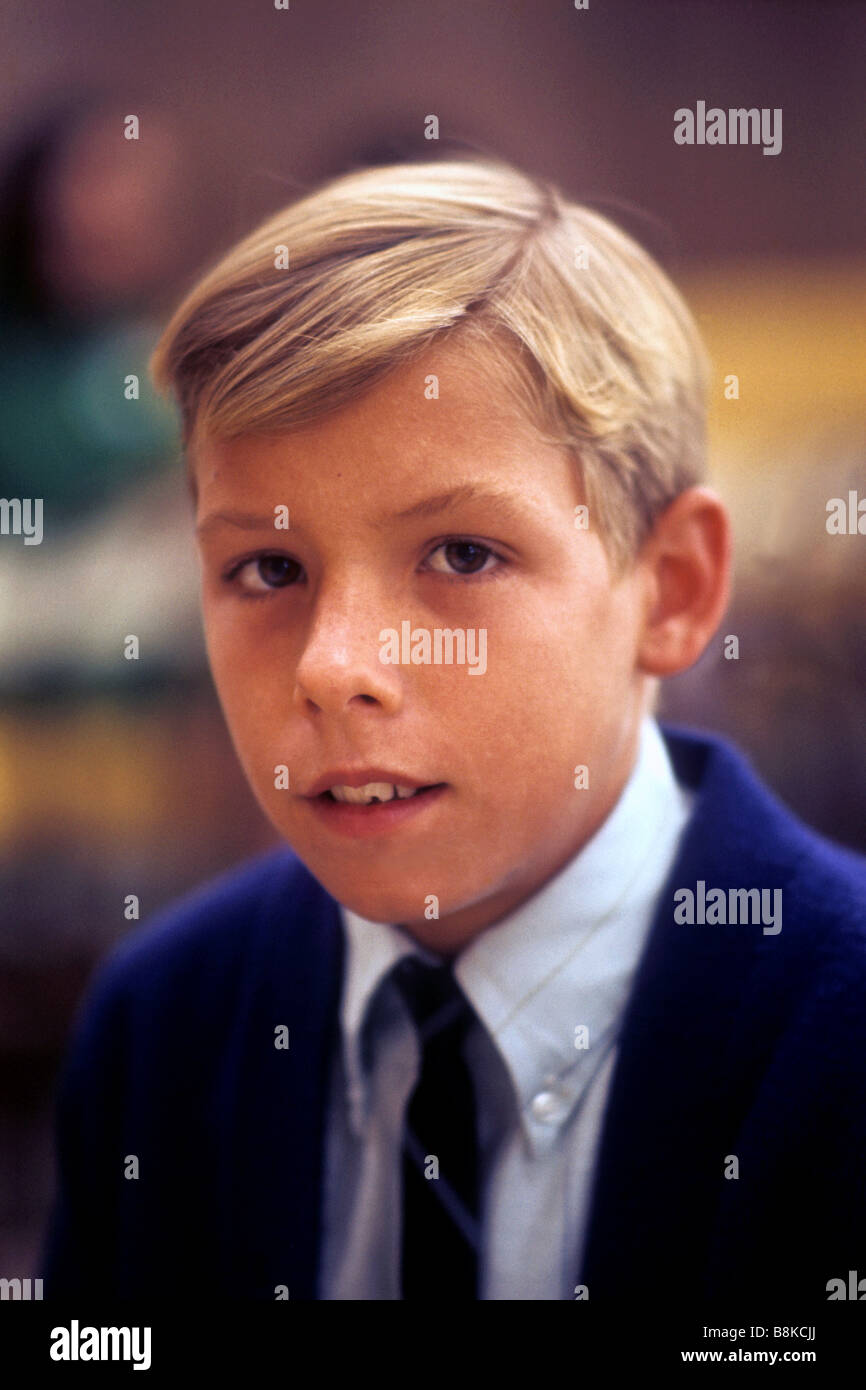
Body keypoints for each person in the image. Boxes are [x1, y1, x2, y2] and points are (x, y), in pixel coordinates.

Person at [39, 156, 866, 1303]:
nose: (334, 669)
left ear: (670, 589)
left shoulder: (837, 1038)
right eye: (266, 567)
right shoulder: (161, 1032)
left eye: (462, 555)